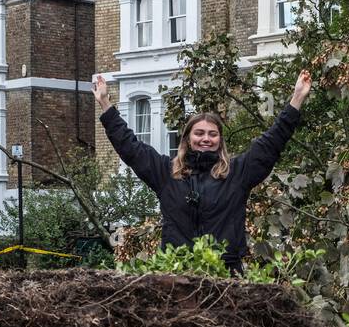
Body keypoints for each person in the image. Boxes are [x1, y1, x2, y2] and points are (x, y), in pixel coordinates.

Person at [94, 70, 312, 275]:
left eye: (212, 134)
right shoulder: (166, 173)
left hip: (225, 274)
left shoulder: (237, 173)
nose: (206, 138)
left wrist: (297, 99)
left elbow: (270, 144)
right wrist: (105, 103)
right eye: (199, 133)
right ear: (188, 138)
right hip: (178, 272)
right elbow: (131, 148)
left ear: (220, 140)